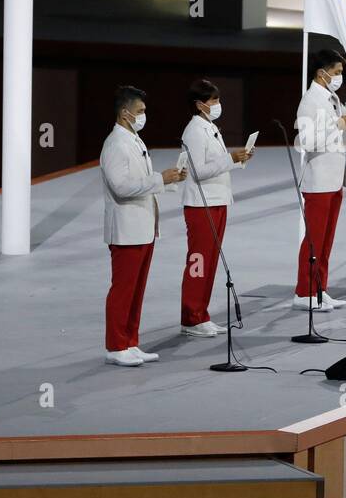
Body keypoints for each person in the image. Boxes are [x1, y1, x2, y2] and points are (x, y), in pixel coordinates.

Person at [101, 85, 187, 367]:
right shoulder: (115, 144)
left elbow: (142, 180)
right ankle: (115, 345)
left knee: (137, 290)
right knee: (123, 290)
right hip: (126, 229)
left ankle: (130, 342)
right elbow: (121, 186)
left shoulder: (134, 139)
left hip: (143, 226)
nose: (143, 116)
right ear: (125, 113)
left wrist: (167, 180)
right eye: (140, 111)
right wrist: (159, 179)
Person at [179, 79, 252, 337]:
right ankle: (191, 316)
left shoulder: (209, 127)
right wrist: (230, 158)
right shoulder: (194, 131)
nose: (218, 105)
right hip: (201, 205)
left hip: (217, 201)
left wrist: (236, 159)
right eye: (213, 101)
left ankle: (201, 313)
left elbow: (217, 163)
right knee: (198, 262)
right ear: (199, 104)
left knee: (210, 261)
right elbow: (198, 171)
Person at [294, 47, 346, 310]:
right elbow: (305, 142)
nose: (340, 77)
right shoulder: (310, 101)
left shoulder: (331, 97)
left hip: (334, 178)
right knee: (314, 239)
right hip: (318, 180)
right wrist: (337, 126)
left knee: (326, 239)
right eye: (337, 73)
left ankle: (320, 288)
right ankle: (304, 292)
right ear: (321, 73)